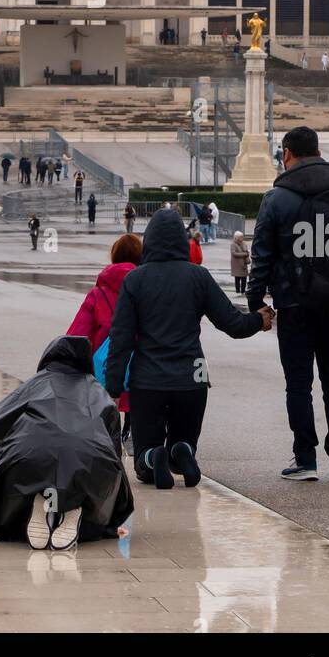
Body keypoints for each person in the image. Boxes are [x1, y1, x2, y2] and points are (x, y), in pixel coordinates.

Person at [248, 125, 329, 481]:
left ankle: (305, 459)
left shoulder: (276, 198)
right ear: (318, 150)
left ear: (287, 153)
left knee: (298, 384)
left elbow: (262, 256)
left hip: (293, 303)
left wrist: (256, 301)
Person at [106, 209, 268, 490]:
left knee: (145, 463)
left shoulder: (135, 280)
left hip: (149, 379)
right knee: (185, 440)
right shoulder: (198, 277)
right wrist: (259, 319)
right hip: (193, 377)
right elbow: (232, 324)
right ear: (182, 240)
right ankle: (182, 452)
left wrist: (114, 381)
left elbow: (121, 337)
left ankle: (153, 455)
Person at [0, 335, 133, 550]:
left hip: (31, 456)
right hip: (88, 462)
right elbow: (113, 451)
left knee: (35, 468)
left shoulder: (36, 384)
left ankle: (42, 504)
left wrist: (4, 452)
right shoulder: (96, 390)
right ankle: (73, 507)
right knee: (87, 472)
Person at [68, 233, 142, 448]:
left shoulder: (98, 293)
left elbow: (77, 334)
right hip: (143, 368)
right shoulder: (147, 288)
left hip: (106, 367)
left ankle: (110, 447)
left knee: (104, 421)